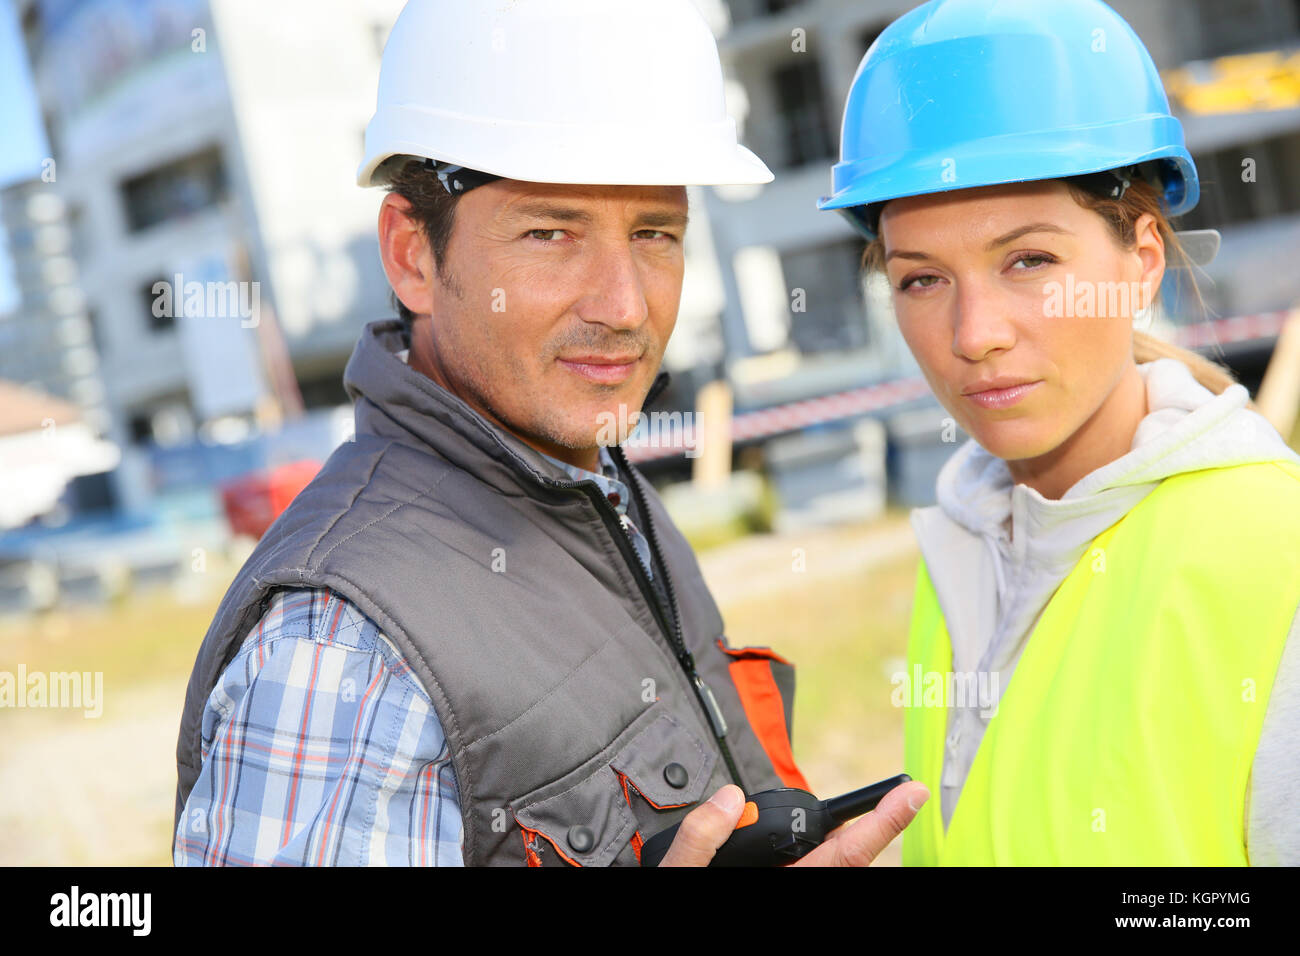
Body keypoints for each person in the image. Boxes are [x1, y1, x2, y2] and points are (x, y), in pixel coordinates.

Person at [173, 0, 928, 867]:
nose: (624, 306)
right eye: (550, 232)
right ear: (414, 254)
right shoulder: (341, 653)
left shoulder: (596, 488)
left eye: (655, 234)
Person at [819, 0, 1300, 865]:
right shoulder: (967, 539)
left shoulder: (1277, 556)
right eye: (922, 280)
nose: (974, 335)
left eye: (1028, 261)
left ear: (1142, 260)